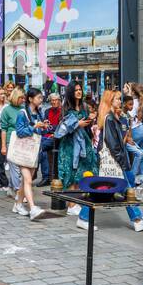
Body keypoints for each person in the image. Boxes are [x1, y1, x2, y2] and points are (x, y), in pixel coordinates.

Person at [98, 88, 143, 231]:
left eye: (120, 98)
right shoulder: (110, 118)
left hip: (118, 159)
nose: (120, 101)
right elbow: (113, 145)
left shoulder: (114, 117)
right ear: (110, 101)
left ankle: (138, 219)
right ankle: (137, 219)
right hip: (115, 160)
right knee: (126, 189)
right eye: (117, 99)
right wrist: (122, 161)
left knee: (108, 191)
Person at [56, 81, 98, 223]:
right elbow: (62, 128)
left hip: (83, 143)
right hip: (69, 145)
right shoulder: (66, 108)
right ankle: (71, 205)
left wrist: (89, 120)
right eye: (76, 90)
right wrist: (77, 124)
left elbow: (84, 125)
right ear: (71, 92)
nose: (79, 92)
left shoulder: (84, 107)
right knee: (70, 174)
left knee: (80, 173)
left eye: (80, 89)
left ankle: (74, 202)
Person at [12, 88, 48, 220]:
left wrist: (44, 127)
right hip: (23, 151)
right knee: (28, 180)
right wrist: (34, 127)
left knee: (25, 182)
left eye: (41, 97)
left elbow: (41, 133)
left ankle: (18, 204)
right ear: (31, 99)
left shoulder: (39, 113)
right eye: (38, 97)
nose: (41, 99)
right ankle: (33, 208)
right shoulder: (22, 113)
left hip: (34, 151)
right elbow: (20, 132)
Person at [1, 86, 28, 213]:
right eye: (21, 97)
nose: (23, 100)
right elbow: (4, 129)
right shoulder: (6, 110)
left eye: (24, 98)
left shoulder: (23, 110)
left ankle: (12, 187)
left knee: (20, 167)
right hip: (11, 141)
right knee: (14, 167)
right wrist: (3, 146)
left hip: (22, 141)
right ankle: (18, 192)